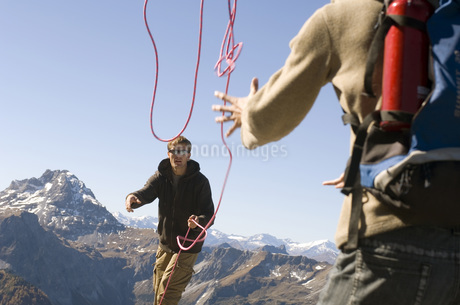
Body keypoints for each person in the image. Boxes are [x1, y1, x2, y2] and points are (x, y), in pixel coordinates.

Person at [212, 0, 460, 304]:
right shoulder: (451, 17)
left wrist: (248, 113)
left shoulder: (343, 16)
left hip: (389, 238)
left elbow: (268, 121)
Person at [125, 136, 215, 305]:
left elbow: (210, 215)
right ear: (168, 154)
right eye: (174, 151)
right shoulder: (161, 176)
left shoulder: (200, 182)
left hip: (187, 246)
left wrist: (198, 222)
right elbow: (147, 191)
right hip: (165, 245)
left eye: (182, 151)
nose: (178, 155)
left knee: (167, 293)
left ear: (189, 155)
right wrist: (133, 197)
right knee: (158, 290)